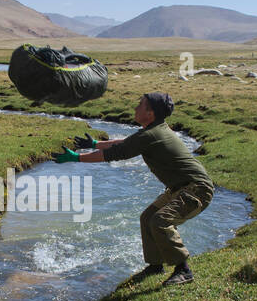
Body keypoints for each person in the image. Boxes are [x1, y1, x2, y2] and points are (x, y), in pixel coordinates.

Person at [54, 92, 213, 287]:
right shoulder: (155, 130)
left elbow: (117, 153)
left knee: (160, 221)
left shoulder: (152, 134)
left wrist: (77, 158)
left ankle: (183, 270)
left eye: (140, 105)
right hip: (181, 189)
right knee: (147, 218)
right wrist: (95, 144)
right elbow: (125, 144)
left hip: (196, 190)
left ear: (151, 113)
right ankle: (155, 265)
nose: (135, 108)